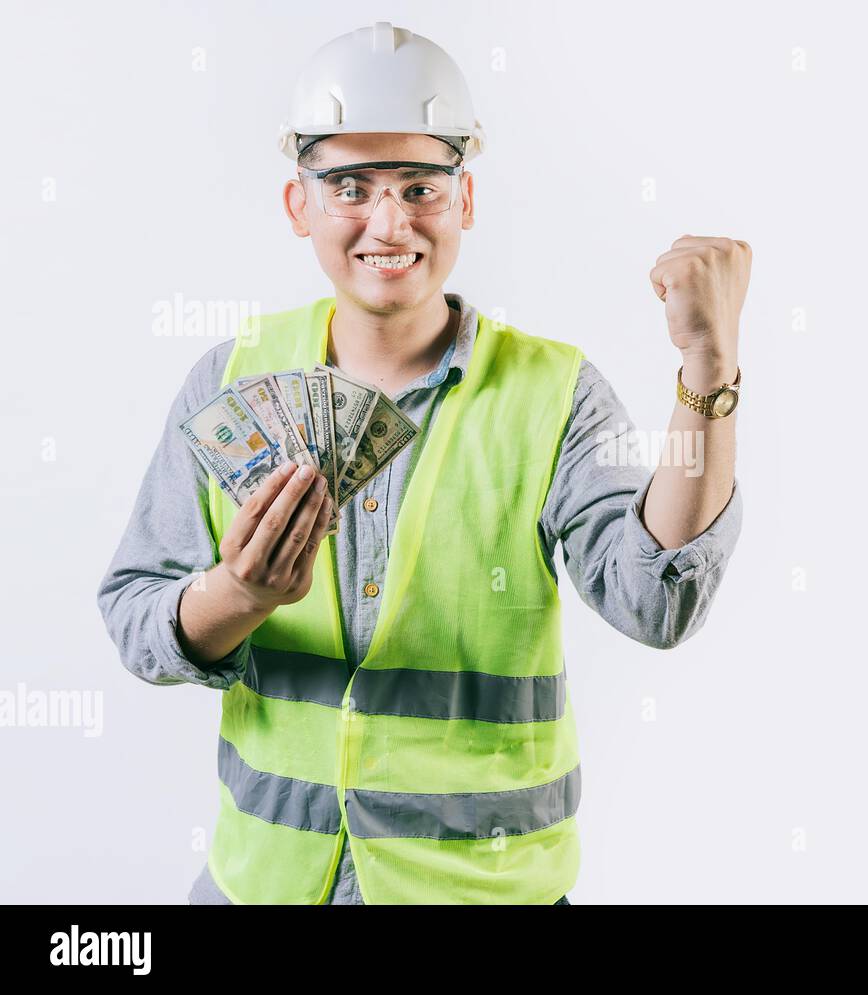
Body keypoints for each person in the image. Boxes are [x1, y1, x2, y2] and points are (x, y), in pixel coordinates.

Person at [97, 21, 748, 905]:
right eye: (350, 186)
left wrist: (707, 370)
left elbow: (656, 597)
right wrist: (238, 595)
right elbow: (138, 617)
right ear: (300, 206)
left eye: (420, 186)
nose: (388, 222)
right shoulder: (231, 379)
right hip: (265, 888)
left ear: (466, 199)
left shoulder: (552, 391)